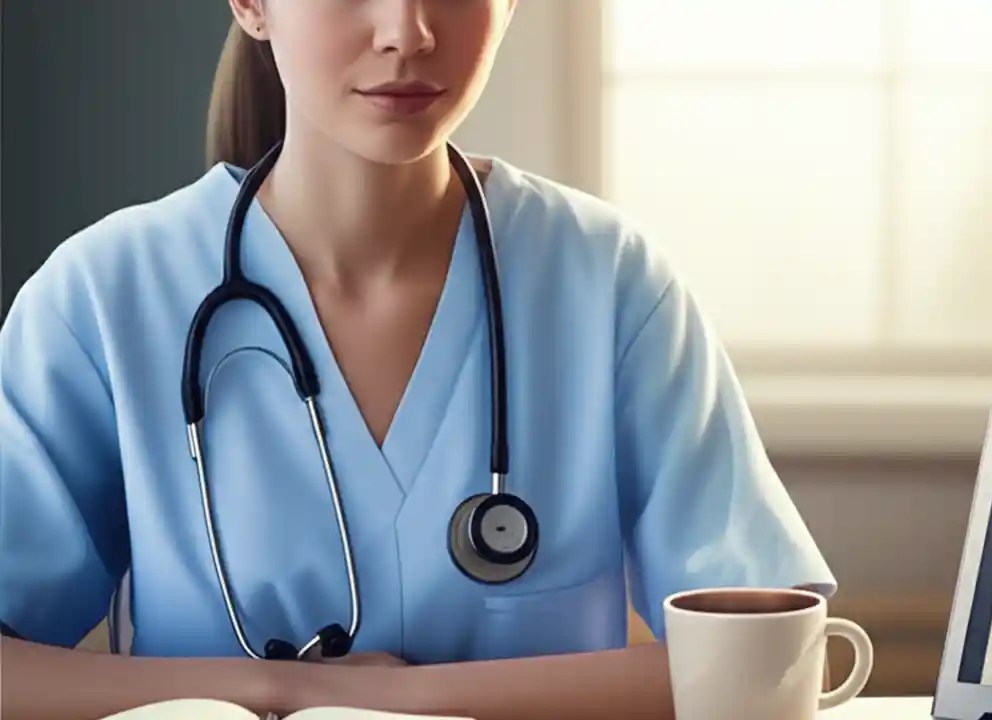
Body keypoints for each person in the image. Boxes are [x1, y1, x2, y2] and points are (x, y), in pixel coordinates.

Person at [0, 1, 836, 718]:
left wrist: (380, 701)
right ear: (251, 3)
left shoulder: (608, 280)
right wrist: (270, 687)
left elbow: (770, 668)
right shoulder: (106, 295)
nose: (408, 31)